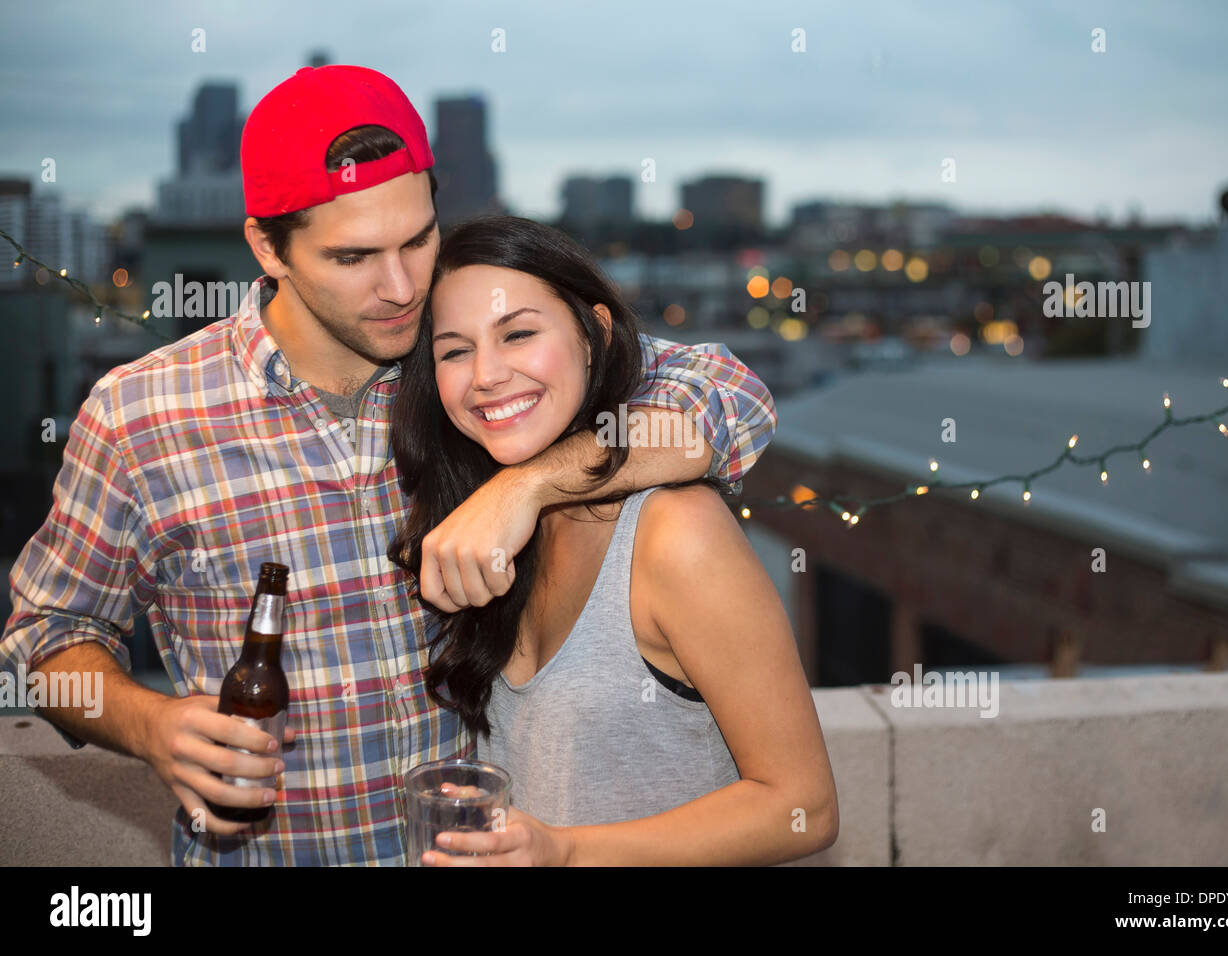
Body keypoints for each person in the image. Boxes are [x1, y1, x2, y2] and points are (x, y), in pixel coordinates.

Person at [0, 65, 777, 866]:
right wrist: (151, 724)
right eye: (354, 257)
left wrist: (528, 483)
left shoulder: (469, 360)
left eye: (417, 239)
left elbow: (733, 397)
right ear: (268, 246)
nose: (402, 288)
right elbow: (44, 637)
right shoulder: (139, 414)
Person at [388, 216, 837, 866]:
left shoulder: (675, 531)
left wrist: (565, 852)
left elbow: (805, 808)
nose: (485, 374)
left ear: (594, 333)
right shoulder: (491, 525)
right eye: (455, 350)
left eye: (518, 333)